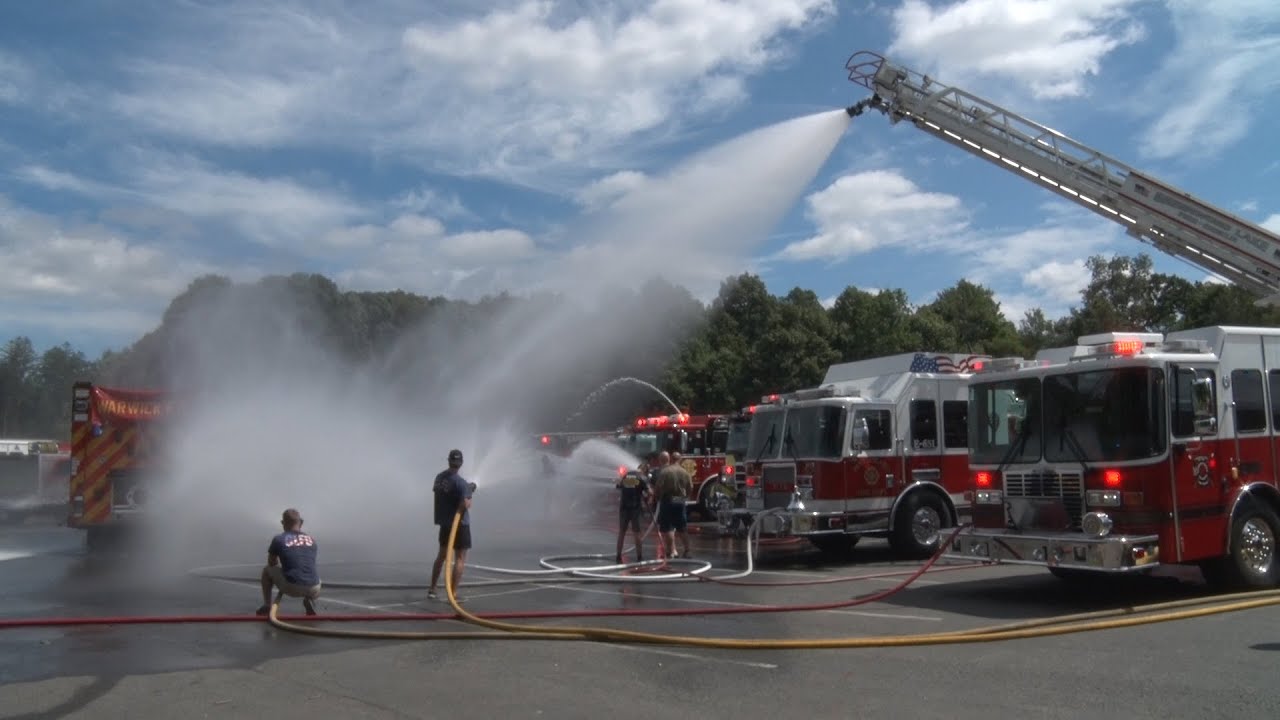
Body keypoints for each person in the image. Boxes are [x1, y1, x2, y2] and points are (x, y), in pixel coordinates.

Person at [256, 508, 321, 616]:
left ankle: (267, 605)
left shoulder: (278, 539)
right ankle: (309, 598)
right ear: (301, 522)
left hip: (292, 587)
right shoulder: (312, 540)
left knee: (266, 571)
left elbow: (272, 563)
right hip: (315, 588)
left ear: (282, 523)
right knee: (309, 572)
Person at [428, 448, 474, 601]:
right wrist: (469, 492)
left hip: (445, 523)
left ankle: (432, 589)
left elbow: (442, 493)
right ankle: (453, 594)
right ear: (461, 463)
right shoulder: (460, 483)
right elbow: (465, 504)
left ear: (449, 461)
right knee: (460, 558)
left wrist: (466, 489)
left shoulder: (439, 478)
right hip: (459, 524)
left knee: (441, 556)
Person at [654, 451, 693, 559]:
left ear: (671, 459)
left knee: (668, 528)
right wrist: (685, 497)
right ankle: (687, 551)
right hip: (680, 500)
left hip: (668, 500)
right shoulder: (685, 472)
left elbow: (658, 487)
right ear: (680, 460)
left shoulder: (665, 472)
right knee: (682, 527)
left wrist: (656, 497)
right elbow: (690, 487)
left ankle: (671, 552)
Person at [615, 460, 651, 564]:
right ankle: (639, 557)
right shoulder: (642, 477)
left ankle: (618, 556)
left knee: (622, 532)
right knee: (637, 533)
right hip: (635, 508)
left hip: (624, 508)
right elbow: (650, 492)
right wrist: (647, 497)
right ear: (645, 471)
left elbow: (619, 486)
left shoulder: (626, 475)